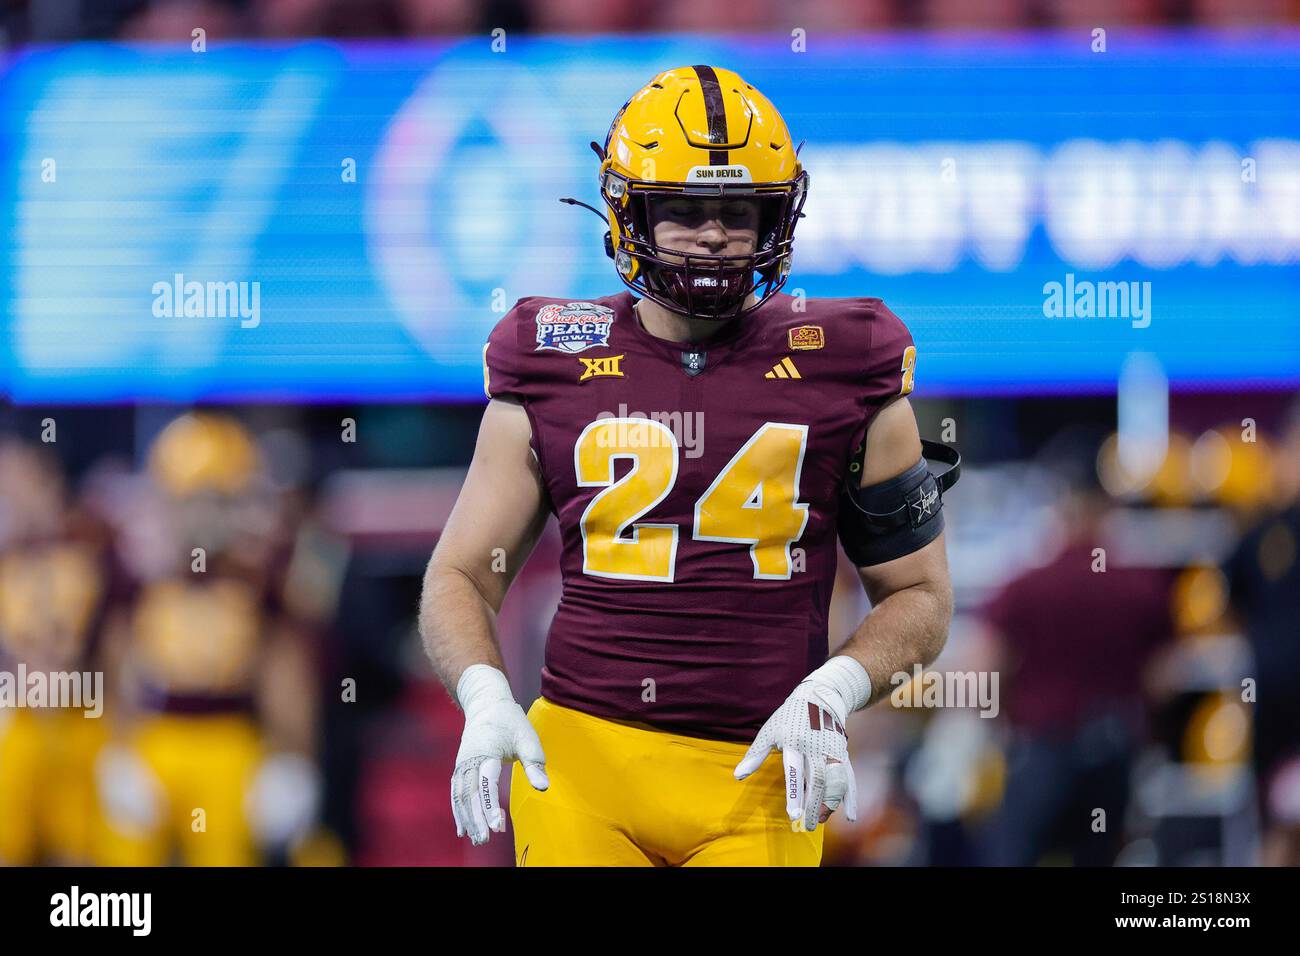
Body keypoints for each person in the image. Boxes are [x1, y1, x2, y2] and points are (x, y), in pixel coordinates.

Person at [420, 66, 957, 866]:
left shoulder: (853, 361)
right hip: (585, 763)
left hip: (762, 766)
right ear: (627, 210)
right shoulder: (551, 356)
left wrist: (834, 691)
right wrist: (484, 691)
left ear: (779, 215)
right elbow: (458, 574)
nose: (713, 235)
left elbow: (920, 596)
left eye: (739, 212)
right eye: (683, 210)